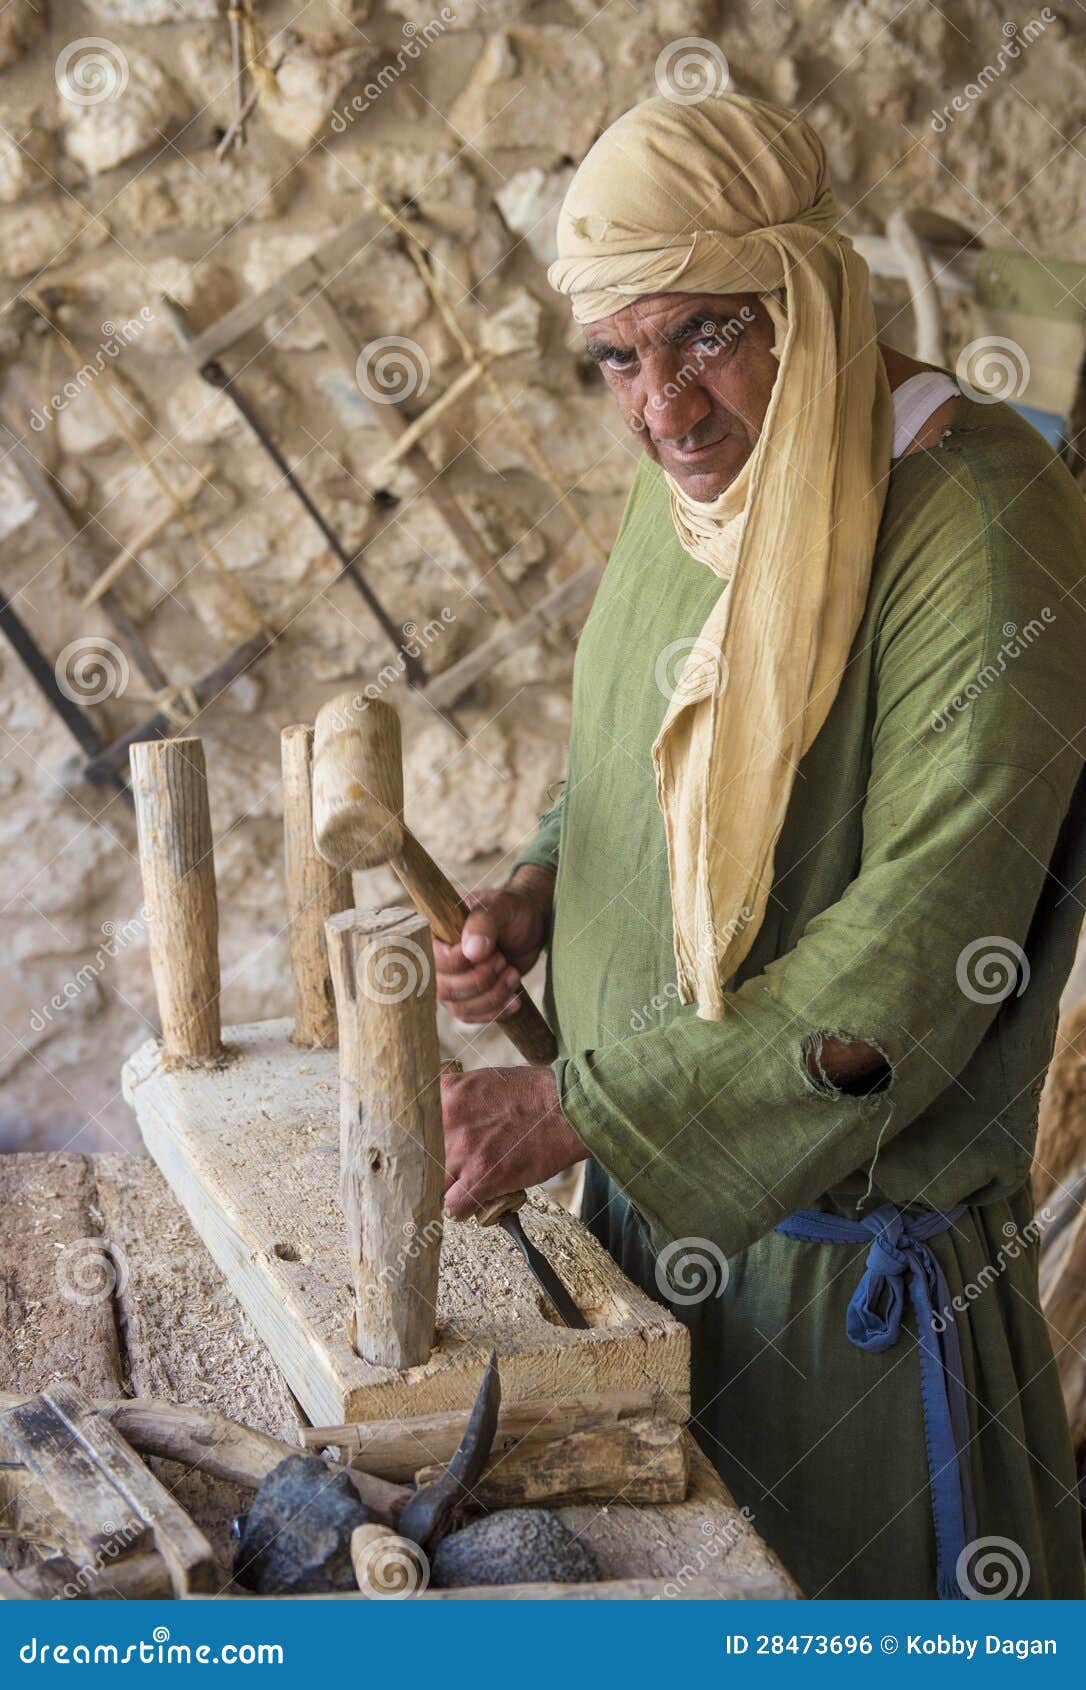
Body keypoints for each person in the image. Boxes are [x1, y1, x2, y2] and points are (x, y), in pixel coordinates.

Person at [435, 91, 1086, 1600]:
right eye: (617, 355)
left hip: (837, 1318)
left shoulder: (982, 533)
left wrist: (574, 1102)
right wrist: (541, 882)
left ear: (806, 291)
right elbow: (638, 733)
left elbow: (909, 973)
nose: (661, 405)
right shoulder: (710, 479)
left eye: (703, 334)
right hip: (648, 1252)